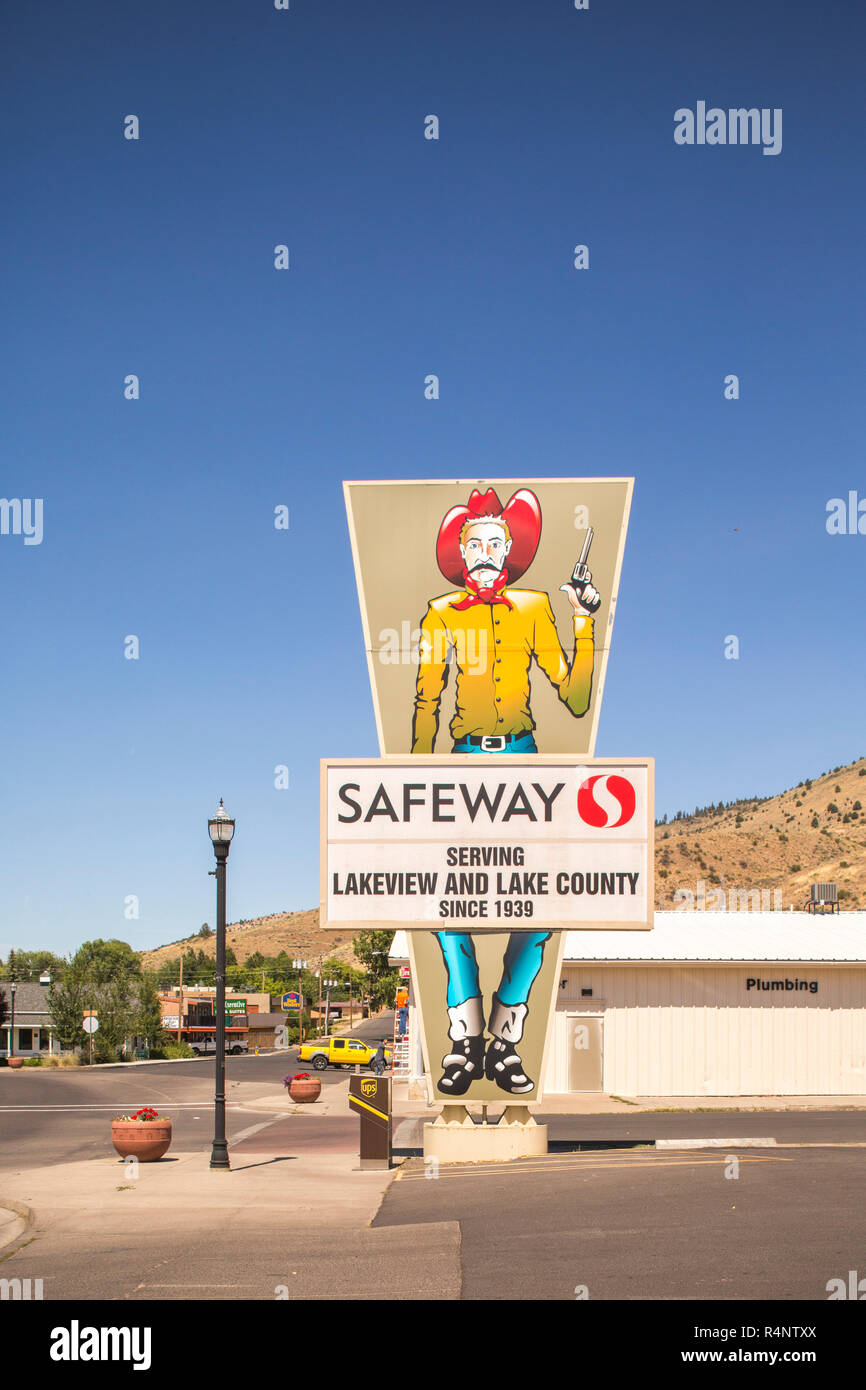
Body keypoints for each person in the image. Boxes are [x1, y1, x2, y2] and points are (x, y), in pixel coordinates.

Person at [412, 487, 602, 1096]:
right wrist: (413, 781)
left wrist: (583, 618)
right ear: (461, 554)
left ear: (510, 550)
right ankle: (464, 1040)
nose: (487, 553)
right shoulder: (441, 614)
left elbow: (573, 697)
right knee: (443, 903)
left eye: (497, 543)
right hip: (460, 767)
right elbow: (426, 703)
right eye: (477, 544)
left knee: (541, 906)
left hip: (524, 763)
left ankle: (502, 1039)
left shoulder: (533, 607)